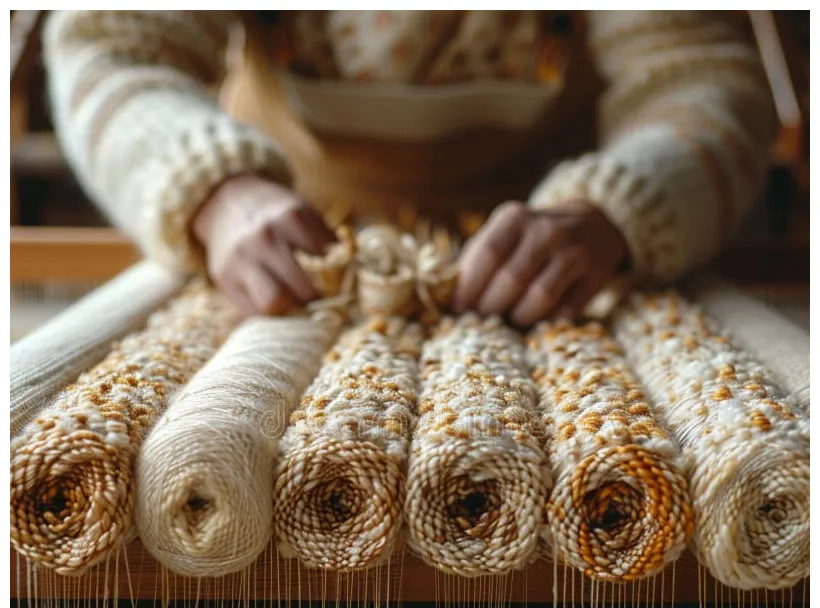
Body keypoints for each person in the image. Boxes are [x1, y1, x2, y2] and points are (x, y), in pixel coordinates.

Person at [44, 11, 775, 326]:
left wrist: (615, 211)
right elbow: (111, 47)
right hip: (280, 262)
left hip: (568, 273)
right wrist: (214, 190)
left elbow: (700, 80)